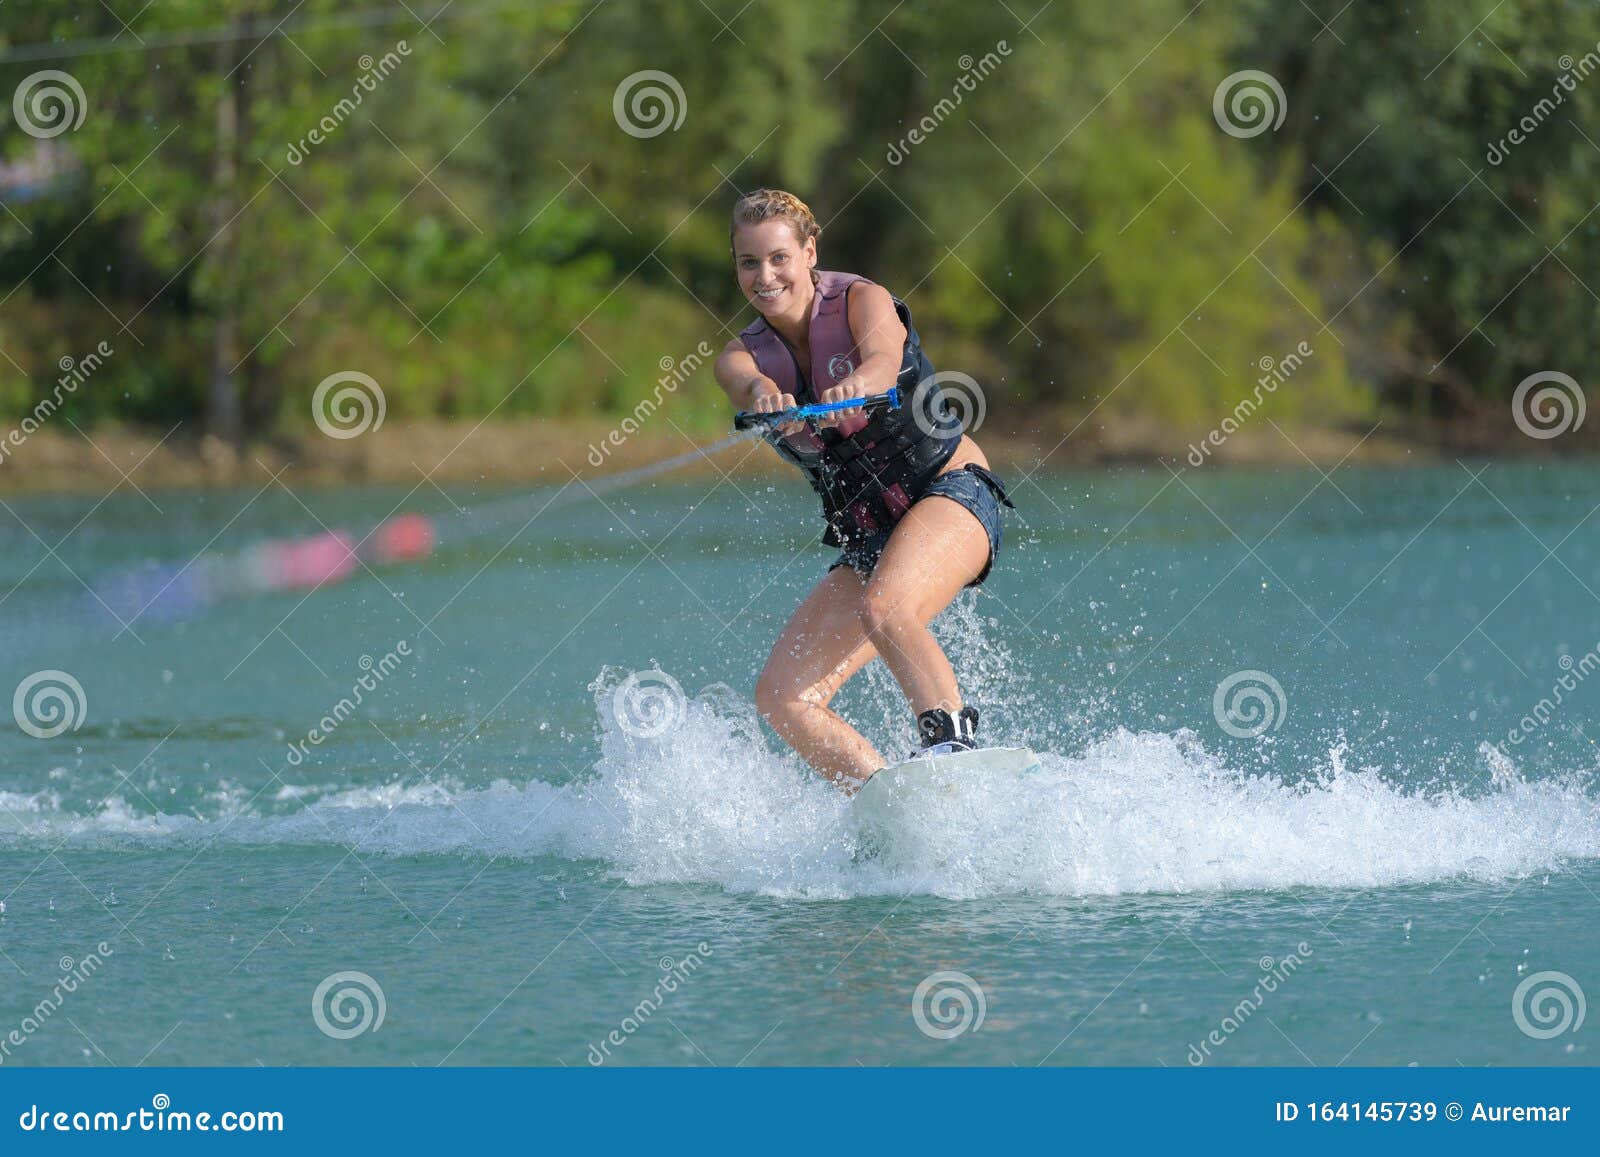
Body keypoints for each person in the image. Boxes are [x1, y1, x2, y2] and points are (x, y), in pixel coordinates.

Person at [713, 189, 1016, 792]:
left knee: (886, 609)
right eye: (749, 263)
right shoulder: (739, 356)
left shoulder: (861, 300)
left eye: (779, 258)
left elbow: (881, 357)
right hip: (871, 536)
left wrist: (855, 385)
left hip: (951, 492)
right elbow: (745, 384)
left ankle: (953, 746)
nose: (765, 276)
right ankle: (886, 797)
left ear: (809, 252)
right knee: (783, 696)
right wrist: (765, 397)